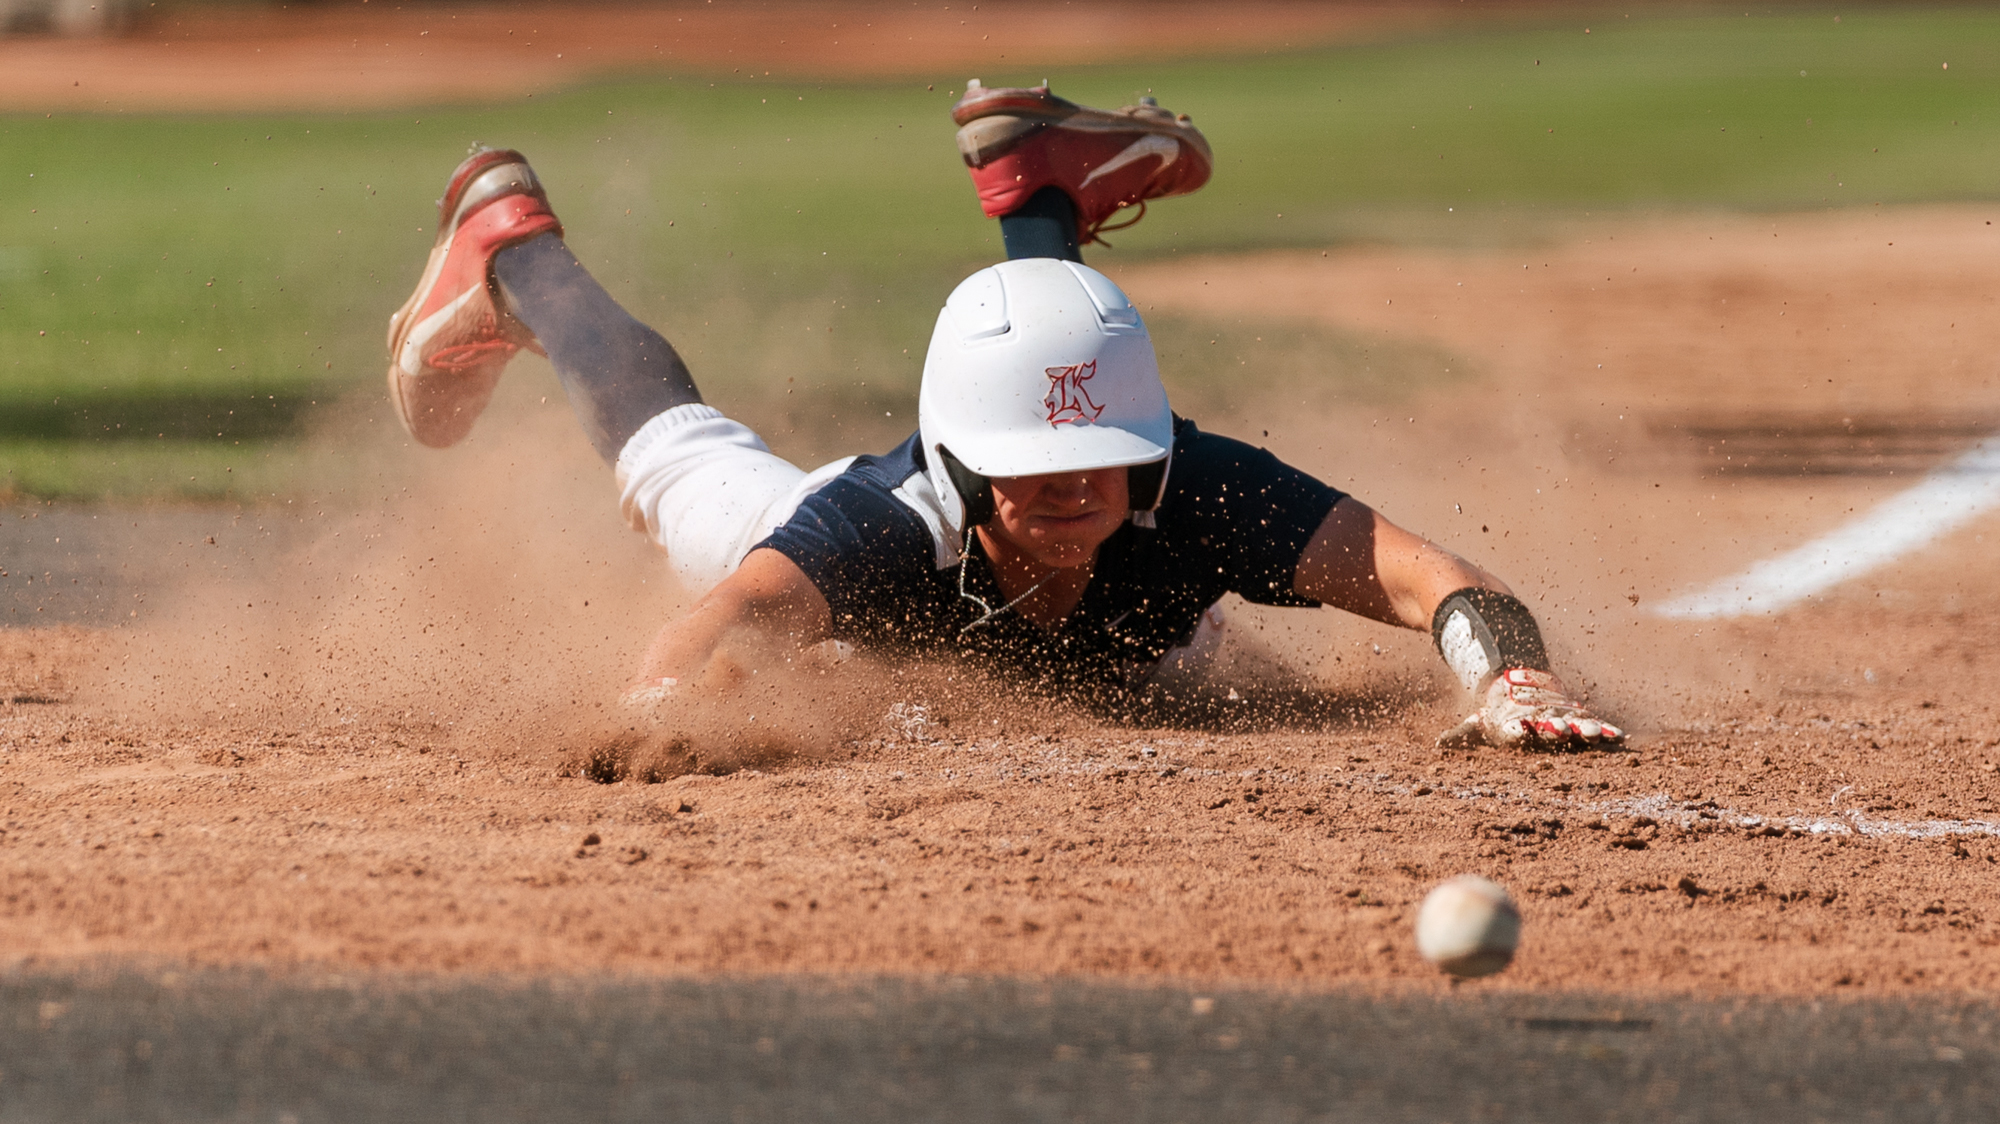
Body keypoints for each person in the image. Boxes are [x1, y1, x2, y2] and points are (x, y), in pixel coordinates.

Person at [384, 82, 1623, 750]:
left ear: (1144, 447)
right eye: (1030, 465)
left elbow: (1433, 579)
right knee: (677, 460)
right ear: (961, 466)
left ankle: (1037, 180)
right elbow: (714, 628)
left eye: (1097, 454)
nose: (1070, 484)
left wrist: (1507, 673)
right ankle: (515, 248)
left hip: (1135, 639)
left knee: (1219, 676)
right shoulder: (868, 527)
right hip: (827, 574)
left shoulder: (1195, 483)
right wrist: (663, 721)